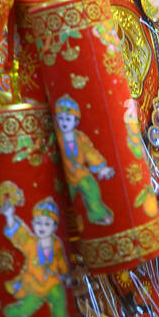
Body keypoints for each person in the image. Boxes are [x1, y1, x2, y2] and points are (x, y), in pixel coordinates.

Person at [0, 195, 72, 317]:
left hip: (52, 283)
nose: (42, 227)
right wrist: (10, 216)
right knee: (27, 307)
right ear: (32, 224)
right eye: (38, 223)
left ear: (55, 226)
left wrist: (66, 275)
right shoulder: (31, 243)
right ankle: (12, 314)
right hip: (34, 284)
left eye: (47, 223)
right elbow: (20, 235)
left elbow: (61, 260)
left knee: (60, 300)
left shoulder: (56, 244)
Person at [53, 95, 115, 226]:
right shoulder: (56, 137)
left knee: (91, 189)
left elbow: (90, 153)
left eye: (68, 119)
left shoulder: (81, 139)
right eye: (61, 119)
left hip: (81, 174)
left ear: (75, 122)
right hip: (65, 175)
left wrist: (101, 167)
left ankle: (98, 214)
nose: (64, 122)